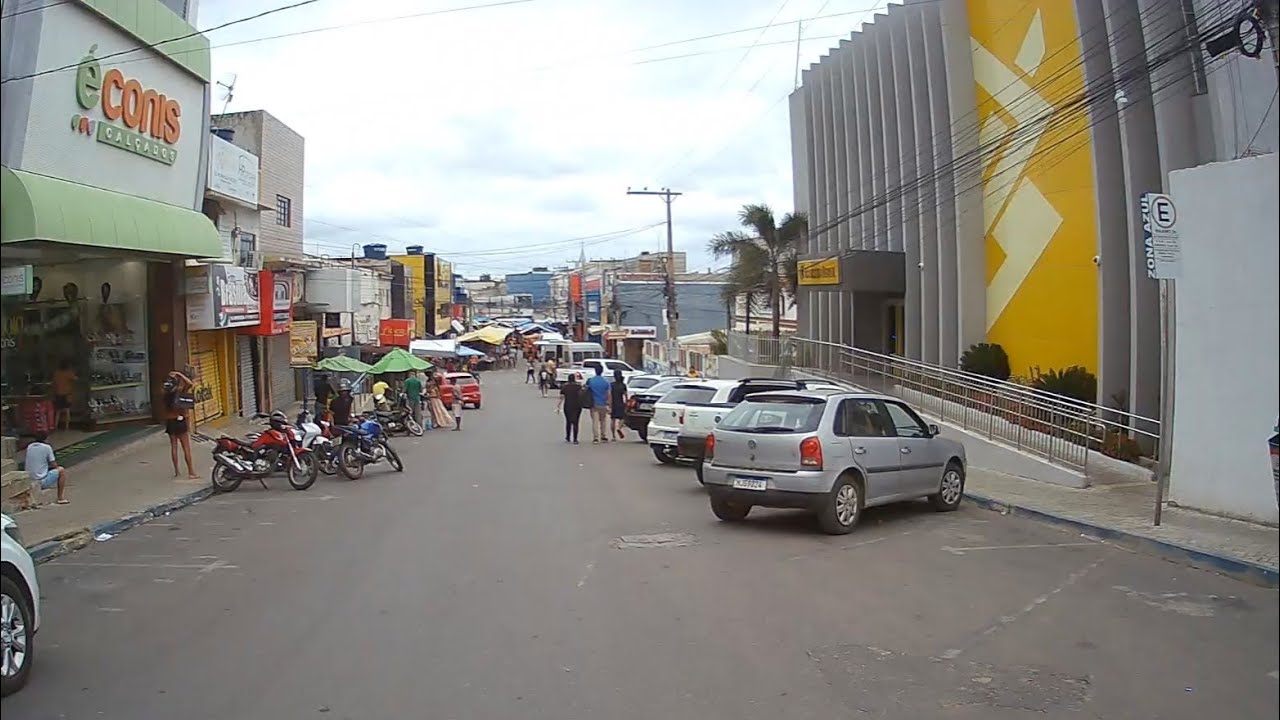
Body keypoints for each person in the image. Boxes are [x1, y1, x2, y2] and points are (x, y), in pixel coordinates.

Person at [163, 371, 198, 479]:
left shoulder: (165, 394)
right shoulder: (179, 392)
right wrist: (179, 374)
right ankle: (191, 472)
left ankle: (177, 471)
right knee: (186, 447)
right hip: (180, 421)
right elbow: (190, 384)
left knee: (174, 447)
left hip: (170, 421)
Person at [24, 431, 68, 504]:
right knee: (61, 470)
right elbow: (53, 464)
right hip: (40, 480)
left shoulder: (30, 446)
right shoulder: (47, 447)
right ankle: (60, 498)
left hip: (29, 478)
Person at [584, 365, 611, 444]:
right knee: (603, 420)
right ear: (602, 371)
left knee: (595, 421)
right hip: (603, 403)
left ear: (595, 371)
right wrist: (609, 403)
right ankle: (604, 436)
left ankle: (596, 437)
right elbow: (609, 394)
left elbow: (586, 389)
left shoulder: (591, 381)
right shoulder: (605, 382)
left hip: (594, 403)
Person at [557, 373, 584, 444]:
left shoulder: (564, 387)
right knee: (576, 422)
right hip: (577, 406)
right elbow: (581, 395)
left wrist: (558, 406)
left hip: (568, 405)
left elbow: (561, 398)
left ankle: (568, 437)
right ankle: (575, 439)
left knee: (568, 421)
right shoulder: (579, 386)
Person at [51, 360, 77, 431]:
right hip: (66, 393)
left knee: (58, 411)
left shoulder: (56, 373)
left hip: (58, 393)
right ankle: (66, 427)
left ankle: (55, 426)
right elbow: (75, 378)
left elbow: (53, 383)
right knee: (67, 410)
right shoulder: (68, 373)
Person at [610, 369, 629, 440]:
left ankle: (613, 436)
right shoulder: (623, 385)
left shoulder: (612, 385)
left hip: (613, 403)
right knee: (623, 418)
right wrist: (626, 402)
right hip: (620, 403)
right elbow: (625, 395)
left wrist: (609, 404)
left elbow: (609, 395)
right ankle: (619, 427)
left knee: (613, 420)